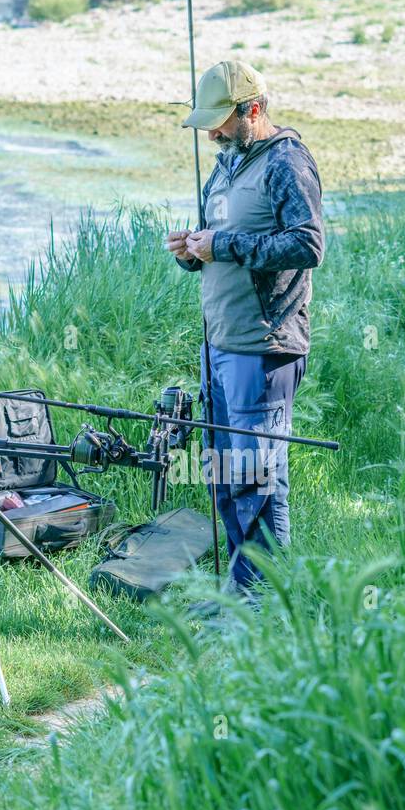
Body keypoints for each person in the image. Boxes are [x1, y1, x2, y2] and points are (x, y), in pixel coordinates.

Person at [164, 59, 324, 595]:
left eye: (220, 121)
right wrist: (192, 250)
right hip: (220, 344)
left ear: (253, 110)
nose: (211, 133)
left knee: (256, 481)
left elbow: (307, 245)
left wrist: (224, 245)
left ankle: (260, 606)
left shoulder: (288, 163)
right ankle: (243, 593)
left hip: (265, 345)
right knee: (227, 477)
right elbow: (217, 237)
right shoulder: (227, 163)